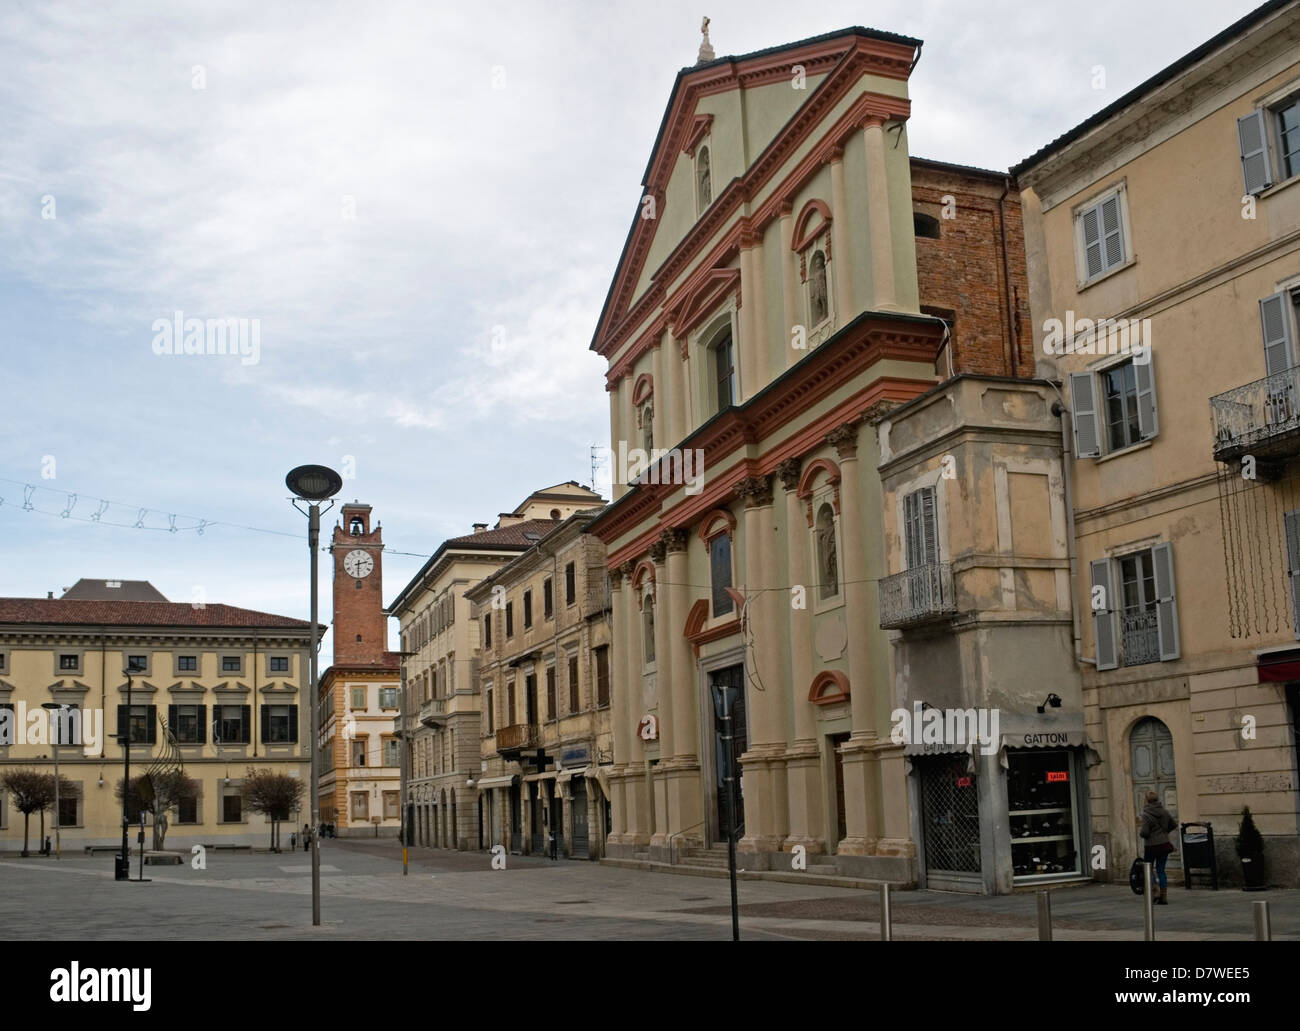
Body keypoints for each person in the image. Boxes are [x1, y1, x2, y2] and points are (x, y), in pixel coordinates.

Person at [1139, 790, 1177, 904]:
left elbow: (1145, 832)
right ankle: (1164, 896)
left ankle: (1155, 892)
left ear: (1146, 800)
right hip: (1164, 845)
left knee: (1148, 870)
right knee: (1161, 870)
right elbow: (1173, 824)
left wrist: (1142, 834)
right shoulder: (1164, 812)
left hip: (1151, 846)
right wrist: (1164, 833)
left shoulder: (1146, 814)